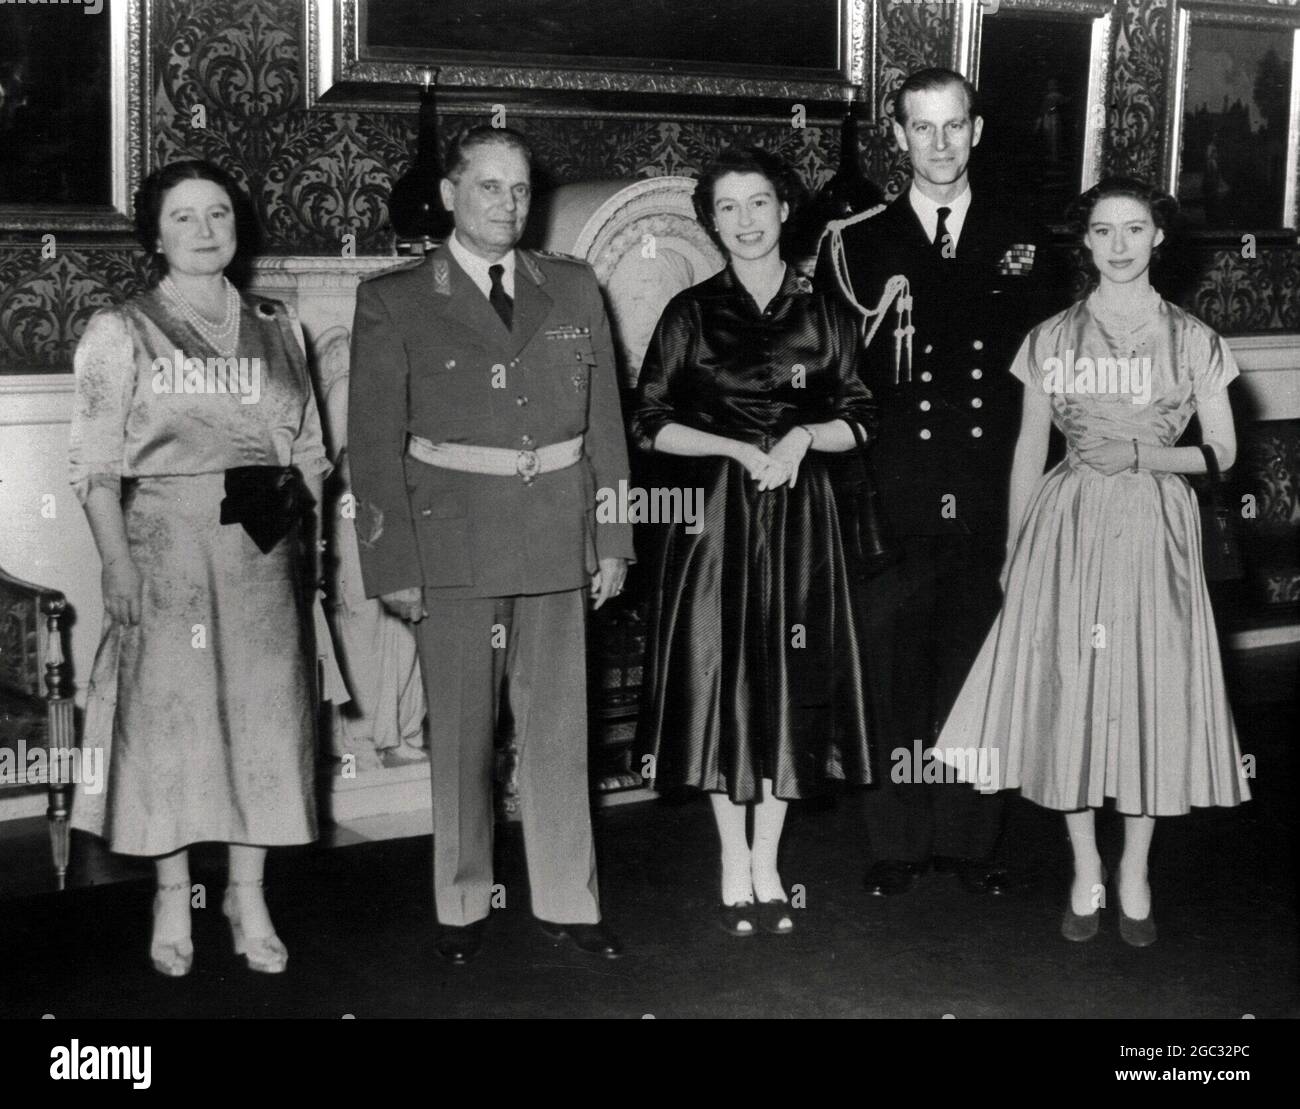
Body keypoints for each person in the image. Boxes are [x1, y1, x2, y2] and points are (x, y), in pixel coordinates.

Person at [934, 177, 1251, 946]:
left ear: (1158, 238)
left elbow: (1225, 452)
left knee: (1149, 691)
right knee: (1069, 692)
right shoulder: (1049, 337)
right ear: (1086, 241)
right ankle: (1085, 867)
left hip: (1155, 526)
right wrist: (1014, 549)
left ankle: (1136, 868)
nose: (1118, 245)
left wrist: (1143, 451)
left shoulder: (1197, 339)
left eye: (1134, 229)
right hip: (1067, 525)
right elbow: (1025, 451)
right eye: (1103, 231)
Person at [347, 126, 633, 965]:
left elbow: (606, 426)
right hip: (453, 548)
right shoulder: (396, 297)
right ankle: (463, 904)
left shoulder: (573, 287)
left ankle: (569, 903)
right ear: (448, 194)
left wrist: (611, 534)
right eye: (487, 187)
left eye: (519, 190)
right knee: (464, 736)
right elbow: (373, 446)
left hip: (556, 539)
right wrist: (392, 565)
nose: (507, 205)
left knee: (558, 733)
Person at [69, 160, 329, 976]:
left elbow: (313, 447)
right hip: (165, 552)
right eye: (184, 217)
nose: (206, 230)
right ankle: (170, 893)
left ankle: (247, 895)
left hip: (262, 556)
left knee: (264, 719)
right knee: (169, 726)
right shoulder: (120, 329)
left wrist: (297, 526)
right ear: (155, 234)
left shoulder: (279, 324)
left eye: (218, 213)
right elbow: (95, 467)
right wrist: (115, 561)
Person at [817, 67, 1060, 899]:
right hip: (893, 489)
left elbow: (1047, 380)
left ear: (977, 131)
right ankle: (896, 840)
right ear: (897, 136)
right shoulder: (855, 242)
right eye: (922, 128)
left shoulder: (1026, 234)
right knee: (892, 669)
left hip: (993, 484)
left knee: (978, 664)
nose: (940, 143)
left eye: (954, 125)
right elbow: (835, 377)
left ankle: (969, 838)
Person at [632, 147, 876, 937]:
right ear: (712, 220)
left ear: (784, 210)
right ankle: (730, 853)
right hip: (715, 523)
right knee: (721, 682)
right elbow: (648, 422)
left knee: (788, 683)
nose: (745, 221)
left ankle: (768, 855)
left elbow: (864, 415)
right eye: (728, 207)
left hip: (804, 520)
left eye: (759, 203)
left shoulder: (825, 309)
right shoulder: (691, 313)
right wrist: (736, 450)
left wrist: (804, 438)